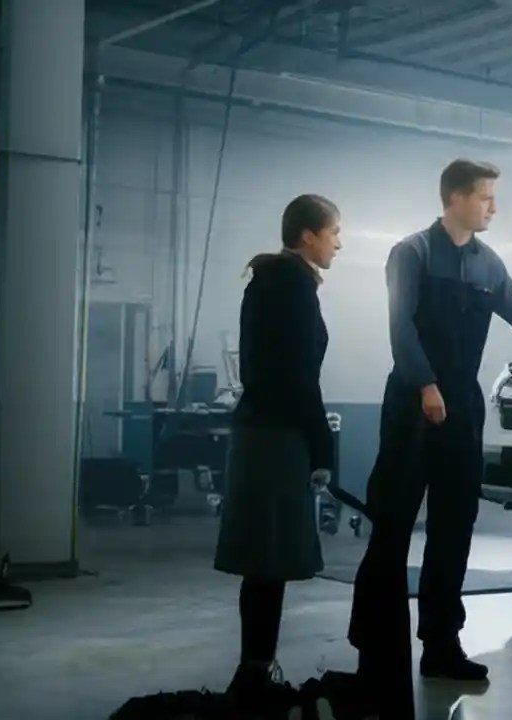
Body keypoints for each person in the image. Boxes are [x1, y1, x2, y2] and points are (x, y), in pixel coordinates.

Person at [348, 160, 512, 715]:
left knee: (454, 526)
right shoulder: (412, 254)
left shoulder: (488, 262)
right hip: (412, 402)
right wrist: (424, 385)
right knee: (394, 523)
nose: (493, 207)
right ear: (454, 198)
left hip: (462, 406)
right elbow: (400, 326)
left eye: (493, 199)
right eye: (485, 198)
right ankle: (375, 646)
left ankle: (442, 646)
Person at [213, 194, 342, 706]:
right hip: (278, 437)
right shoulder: (293, 284)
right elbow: (299, 376)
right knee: (268, 561)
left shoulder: (269, 281)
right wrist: (322, 448)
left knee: (261, 564)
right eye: (334, 231)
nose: (339, 241)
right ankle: (253, 675)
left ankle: (255, 668)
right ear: (308, 235)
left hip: (258, 434)